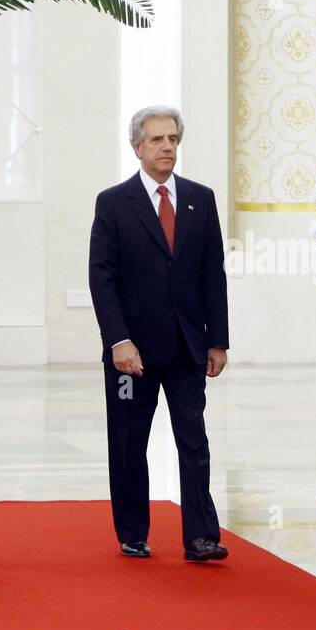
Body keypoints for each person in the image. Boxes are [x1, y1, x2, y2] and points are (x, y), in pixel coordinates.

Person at [88, 105, 230, 562]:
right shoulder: (113, 202)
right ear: (137, 147)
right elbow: (102, 277)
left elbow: (213, 273)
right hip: (134, 350)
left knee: (194, 441)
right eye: (156, 140)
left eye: (172, 139)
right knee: (130, 441)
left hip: (188, 346)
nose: (167, 146)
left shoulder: (200, 198)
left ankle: (202, 537)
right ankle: (132, 531)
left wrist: (217, 339)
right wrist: (118, 341)